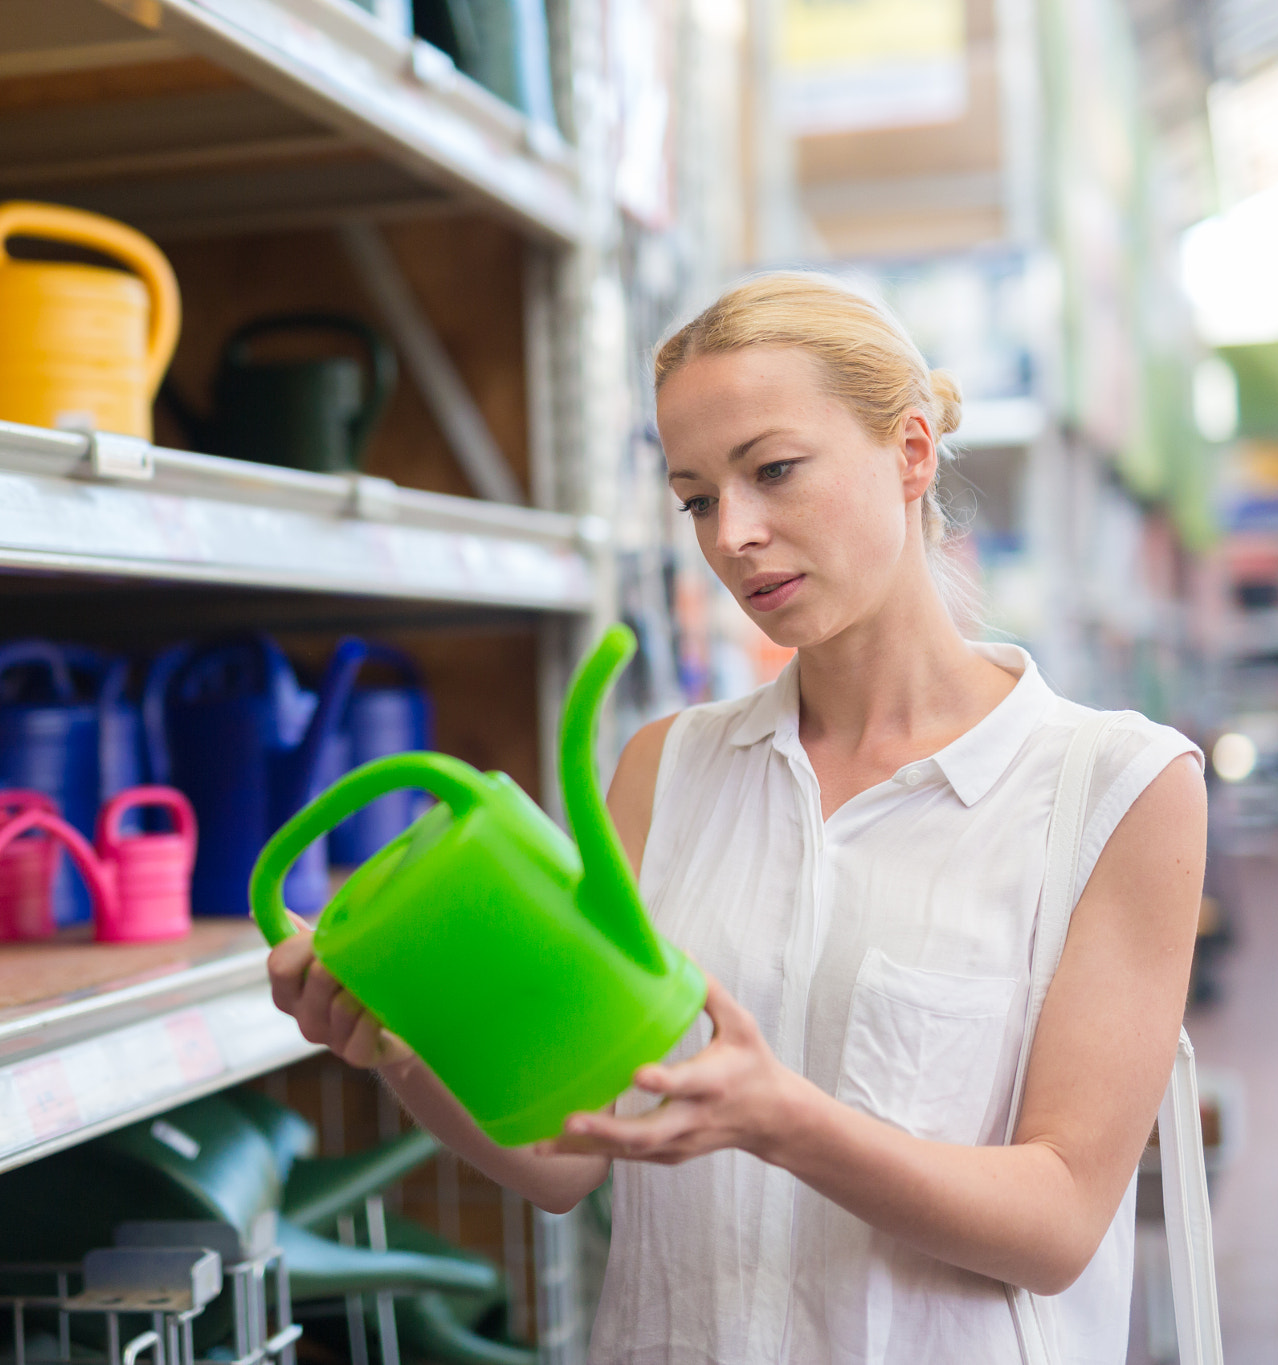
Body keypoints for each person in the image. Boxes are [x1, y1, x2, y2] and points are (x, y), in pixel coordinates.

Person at [265, 271, 1206, 1363]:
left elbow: (1055, 1223)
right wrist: (398, 1047)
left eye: (772, 471)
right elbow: (569, 1156)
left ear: (909, 454)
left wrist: (785, 1123)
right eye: (697, 497)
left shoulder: (1113, 789)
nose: (732, 535)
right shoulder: (666, 772)